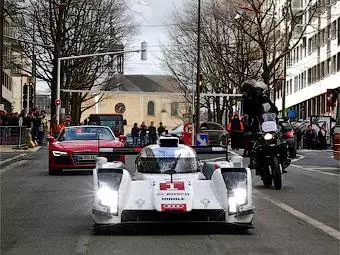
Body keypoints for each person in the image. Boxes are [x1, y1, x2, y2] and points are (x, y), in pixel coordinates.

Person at [240, 79, 290, 170]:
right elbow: (247, 111)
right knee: (254, 139)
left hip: (268, 122)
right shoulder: (250, 98)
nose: (259, 91)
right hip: (257, 121)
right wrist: (247, 120)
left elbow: (273, 107)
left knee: (281, 139)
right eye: (257, 89)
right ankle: (253, 160)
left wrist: (275, 110)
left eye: (260, 90)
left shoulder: (265, 98)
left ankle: (285, 158)